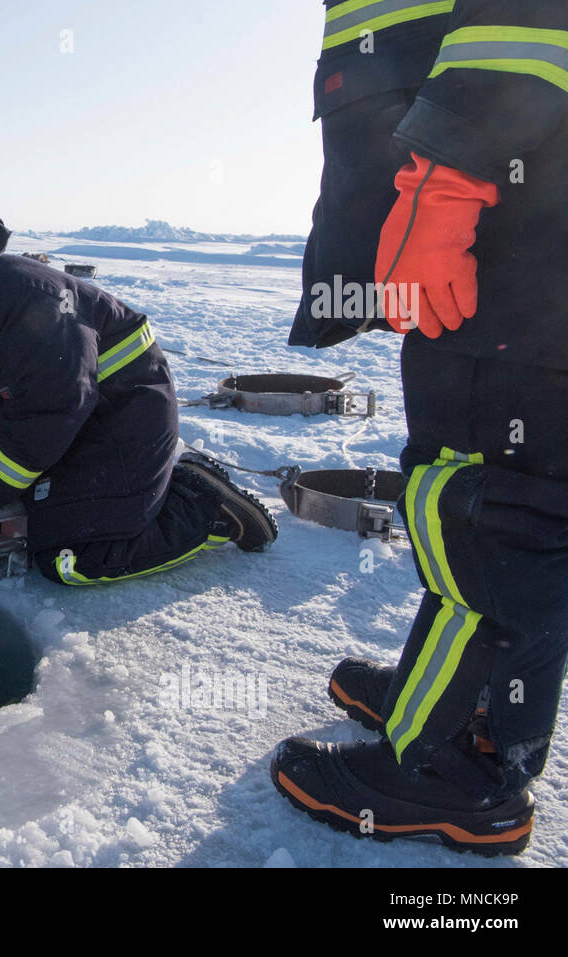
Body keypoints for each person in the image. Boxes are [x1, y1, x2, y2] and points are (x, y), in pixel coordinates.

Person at [272, 0, 568, 856]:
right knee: (471, 491)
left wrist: (449, 176)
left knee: (491, 507)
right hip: (496, 232)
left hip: (511, 228)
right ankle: (457, 697)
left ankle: (457, 772)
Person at [0, 194, 277, 587]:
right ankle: (144, 493)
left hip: (122, 416)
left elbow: (51, 407)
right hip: (66, 425)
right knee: (20, 522)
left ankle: (202, 507)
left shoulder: (16, 295)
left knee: (69, 559)